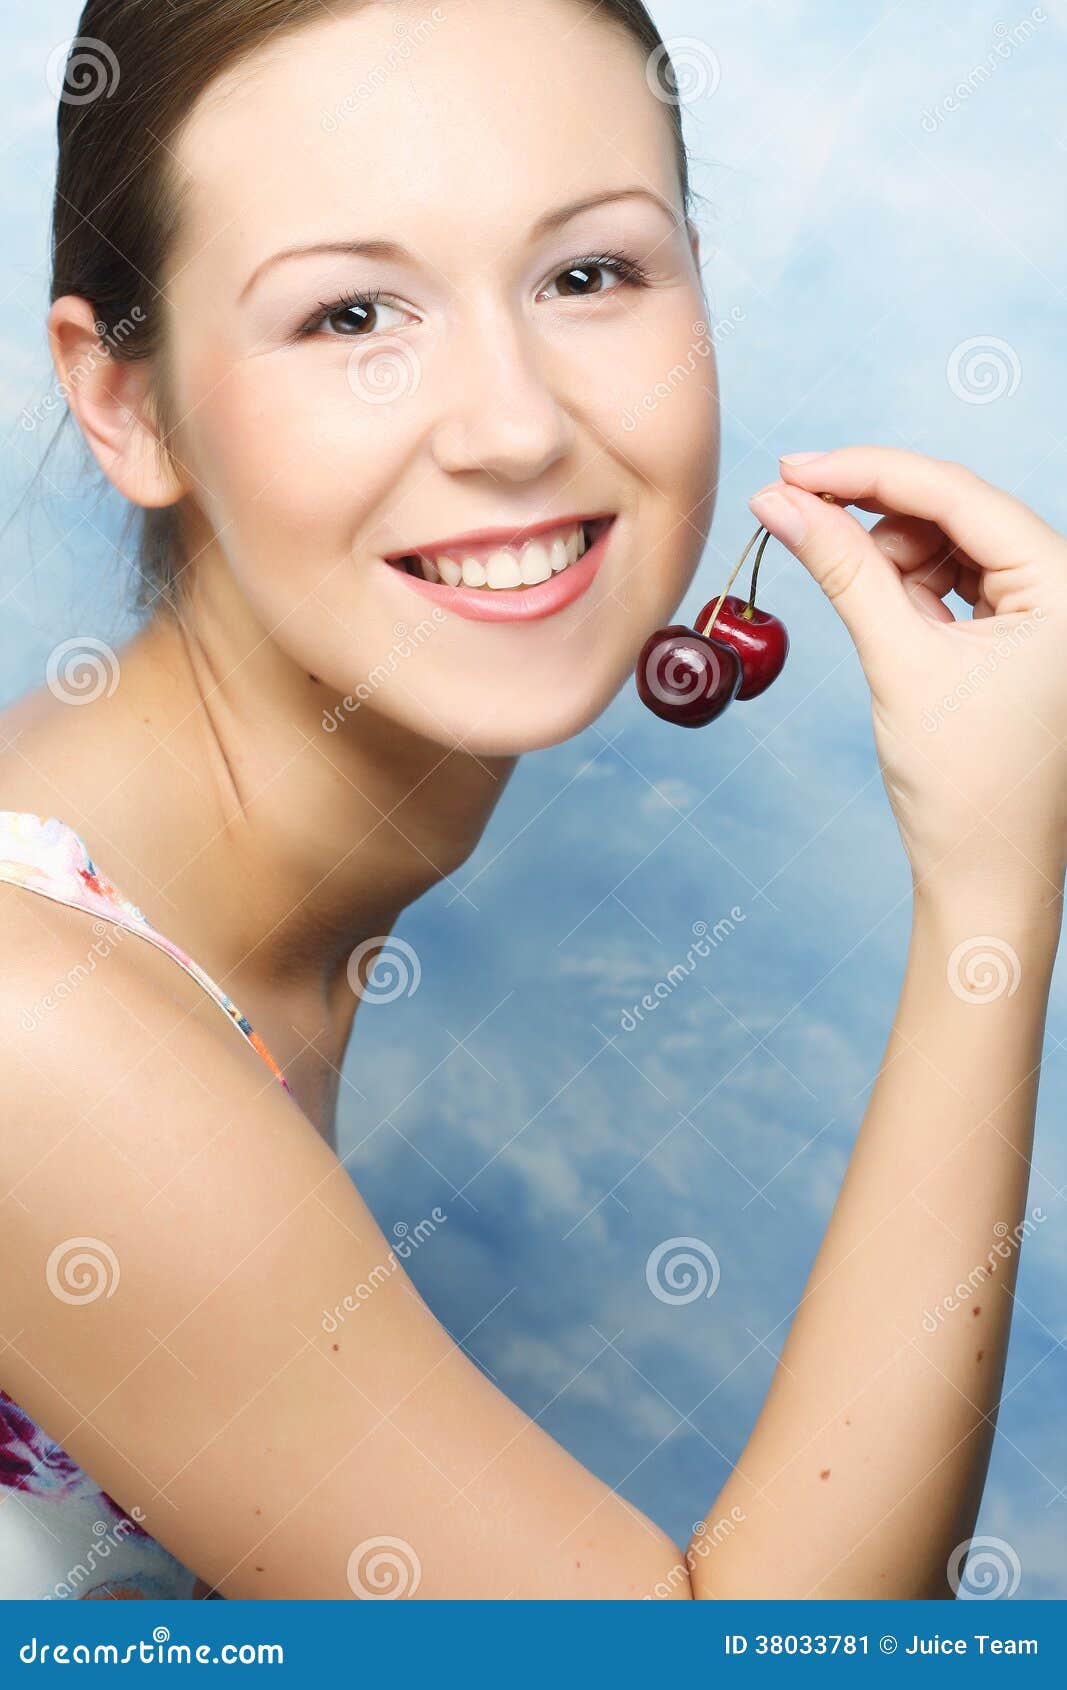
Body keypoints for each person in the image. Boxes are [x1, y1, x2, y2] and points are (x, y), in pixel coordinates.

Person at [1, 0, 1063, 1600]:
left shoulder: (203, 910)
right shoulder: (40, 1032)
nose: (514, 427)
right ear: (125, 402)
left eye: (588, 275)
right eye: (351, 313)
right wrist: (993, 888)